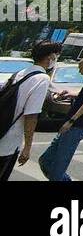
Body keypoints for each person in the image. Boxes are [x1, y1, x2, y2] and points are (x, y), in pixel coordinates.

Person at [39, 54, 83, 181]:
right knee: (45, 160)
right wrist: (70, 94)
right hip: (72, 124)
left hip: (77, 125)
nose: (80, 72)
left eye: (81, 68)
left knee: (58, 169)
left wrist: (71, 121)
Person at [0, 40, 60, 181]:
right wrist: (27, 148)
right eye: (55, 56)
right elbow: (31, 115)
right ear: (50, 57)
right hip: (8, 141)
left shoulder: (20, 73)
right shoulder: (42, 78)